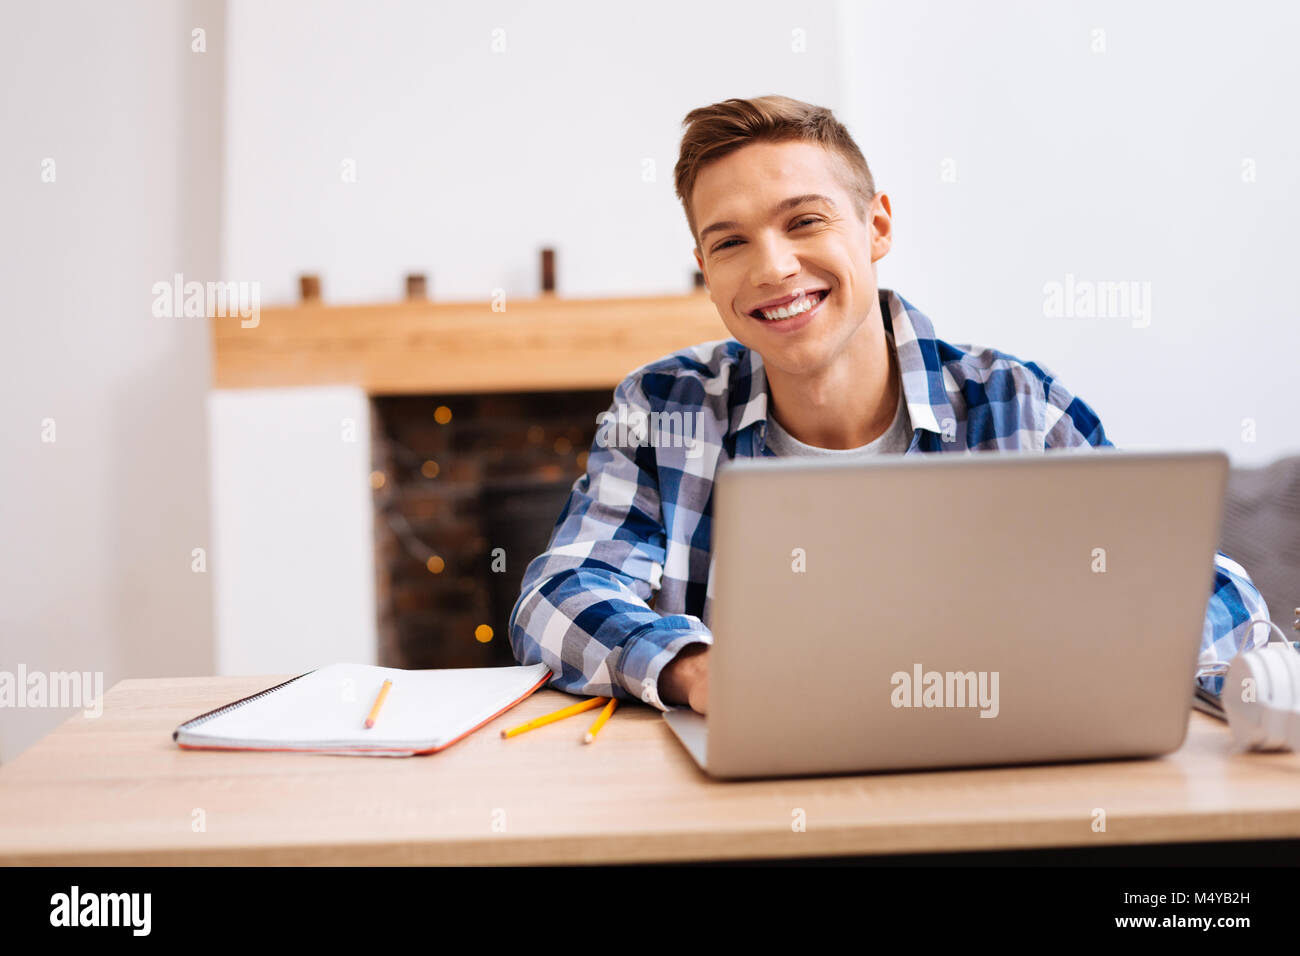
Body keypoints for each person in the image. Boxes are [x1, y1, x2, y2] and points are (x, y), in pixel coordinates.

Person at [508, 94, 1269, 716]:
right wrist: (697, 671)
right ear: (705, 269)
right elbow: (557, 594)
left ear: (876, 228)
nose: (774, 267)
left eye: (804, 221)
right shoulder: (663, 407)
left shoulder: (1015, 403)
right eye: (731, 242)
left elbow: (1201, 590)